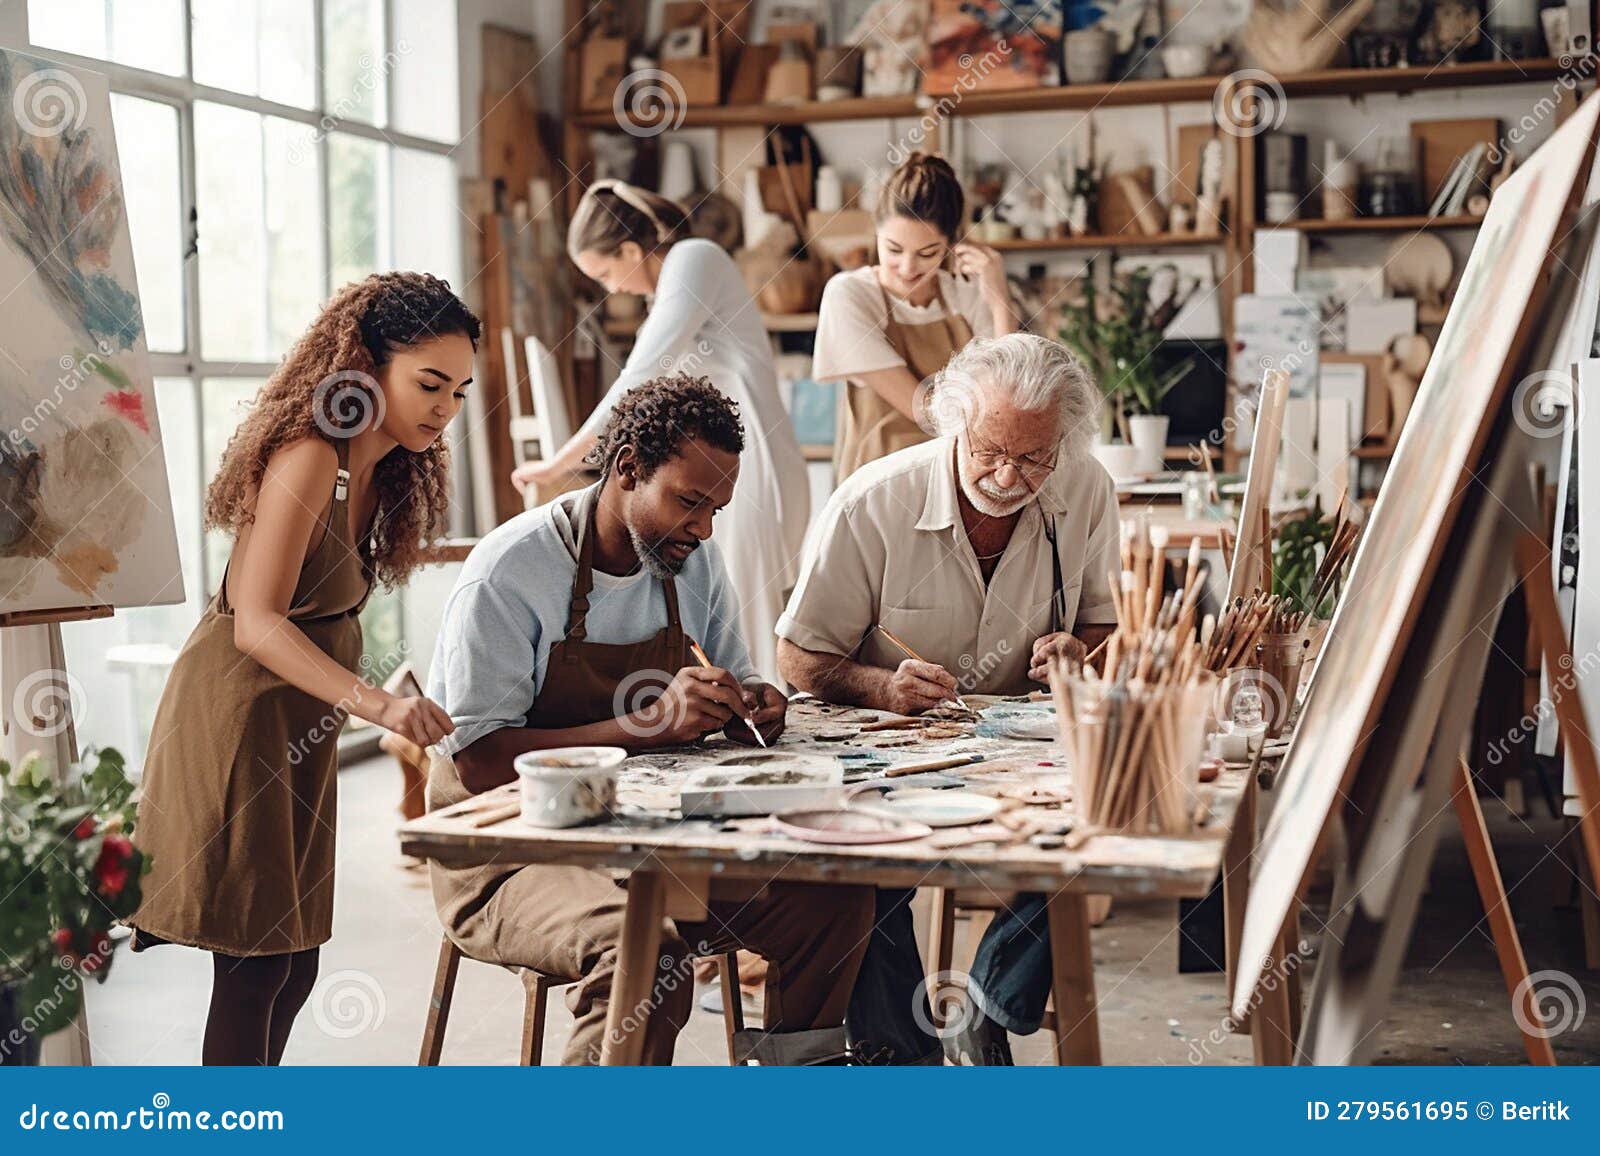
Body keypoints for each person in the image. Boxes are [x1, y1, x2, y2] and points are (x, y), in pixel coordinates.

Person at [429, 373, 874, 1066]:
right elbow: (480, 763)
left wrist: (755, 703)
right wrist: (645, 726)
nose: (701, 527)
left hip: (655, 841)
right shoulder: (512, 572)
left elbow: (740, 677)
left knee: (830, 904)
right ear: (627, 469)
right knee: (644, 952)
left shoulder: (693, 563)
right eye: (688, 502)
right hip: (513, 856)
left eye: (715, 509)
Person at [127, 273, 478, 1065]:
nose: (444, 408)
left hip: (297, 725)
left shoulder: (379, 471)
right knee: (256, 968)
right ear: (366, 366)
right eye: (428, 383)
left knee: (293, 965)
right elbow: (256, 621)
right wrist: (378, 707)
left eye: (457, 391)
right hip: (240, 719)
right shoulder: (312, 454)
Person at [776, 332, 1120, 1064]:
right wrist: (879, 686)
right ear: (953, 424)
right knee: (864, 864)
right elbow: (797, 656)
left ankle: (990, 1001)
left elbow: (1100, 624)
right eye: (989, 450)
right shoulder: (872, 503)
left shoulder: (1086, 488)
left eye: (1033, 458)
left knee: (1110, 805)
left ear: (1064, 445)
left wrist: (1077, 653)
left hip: (1023, 753)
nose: (1005, 475)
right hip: (888, 751)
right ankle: (903, 1063)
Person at [511, 180, 808, 685]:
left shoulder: (696, 258)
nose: (611, 288)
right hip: (723, 456)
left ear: (630, 249)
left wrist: (558, 464)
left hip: (747, 458)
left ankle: (764, 723)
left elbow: (640, 377)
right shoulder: (671, 284)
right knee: (728, 601)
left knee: (749, 607)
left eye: (606, 273)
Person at [812, 151, 1018, 482]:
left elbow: (1011, 387)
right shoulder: (850, 295)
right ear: (875, 231)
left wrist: (998, 299)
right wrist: (992, 420)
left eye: (927, 254)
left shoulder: (962, 293)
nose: (908, 268)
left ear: (951, 245)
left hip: (958, 481)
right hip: (878, 484)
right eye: (893, 249)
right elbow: (925, 410)